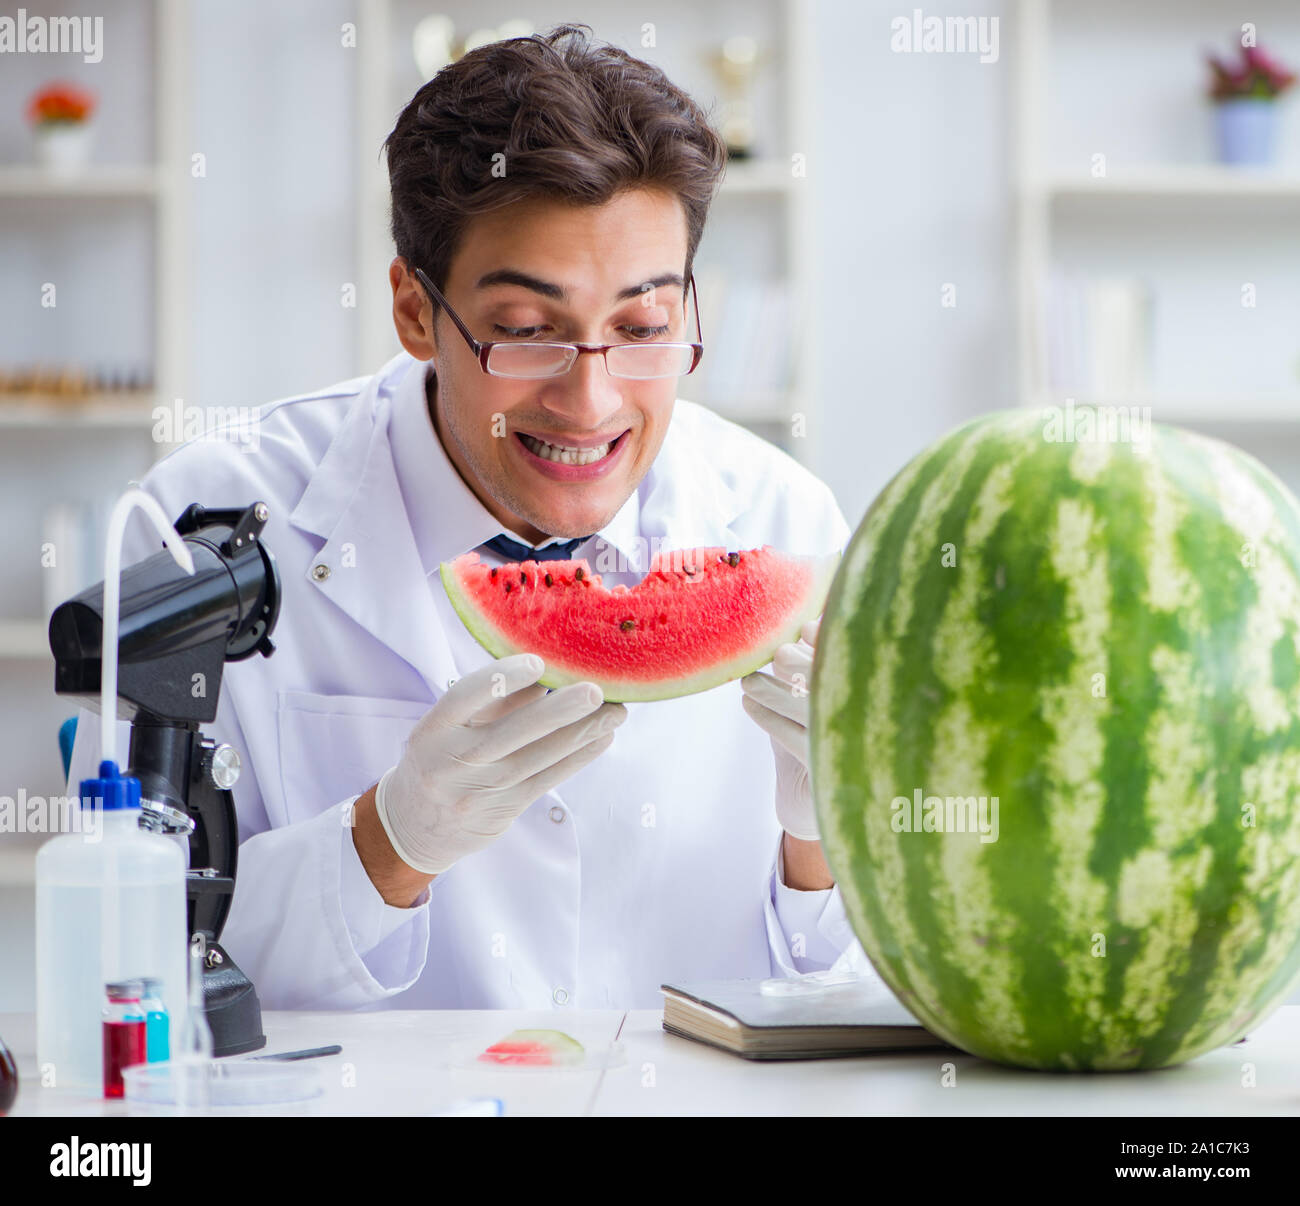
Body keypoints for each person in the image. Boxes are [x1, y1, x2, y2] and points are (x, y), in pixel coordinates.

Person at [67, 24, 866, 1010]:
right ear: (412, 309)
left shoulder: (785, 518)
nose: (592, 403)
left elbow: (852, 1001)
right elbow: (123, 963)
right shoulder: (200, 525)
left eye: (644, 329)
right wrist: (386, 843)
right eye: (527, 332)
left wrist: (826, 842)